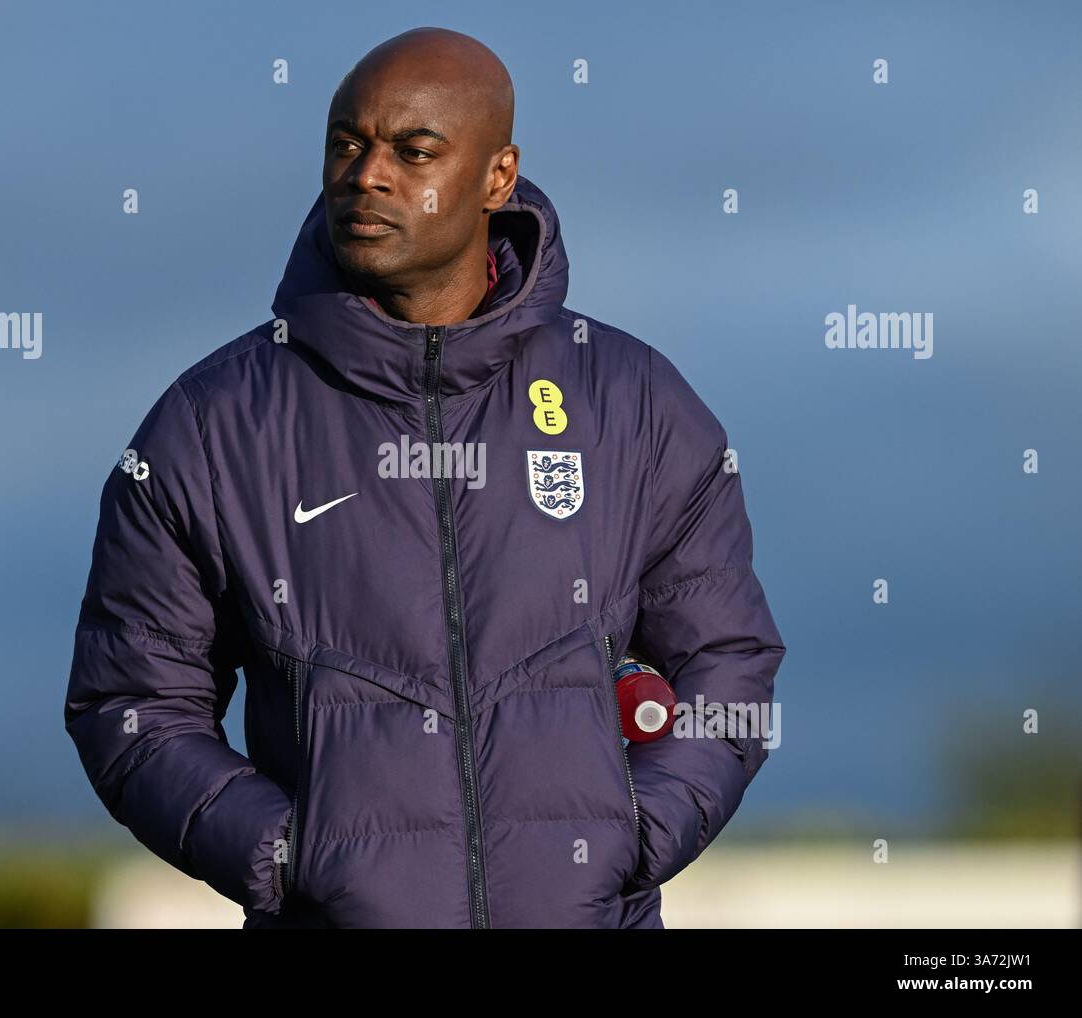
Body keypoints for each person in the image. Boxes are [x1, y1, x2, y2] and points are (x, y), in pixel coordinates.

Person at [63, 26, 786, 929]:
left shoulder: (634, 404)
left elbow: (728, 663)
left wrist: (634, 834)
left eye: (414, 151)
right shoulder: (209, 426)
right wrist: (288, 856)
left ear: (497, 178)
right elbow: (132, 702)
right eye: (347, 145)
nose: (368, 174)